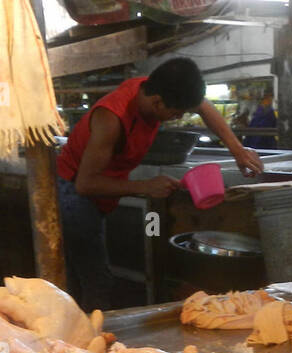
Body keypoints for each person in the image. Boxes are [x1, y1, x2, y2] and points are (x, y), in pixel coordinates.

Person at [56, 57, 265, 312]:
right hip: (72, 189)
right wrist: (144, 186)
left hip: (100, 186)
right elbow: (85, 184)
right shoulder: (111, 119)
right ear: (157, 102)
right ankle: (81, 341)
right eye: (176, 113)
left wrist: (237, 150)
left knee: (85, 272)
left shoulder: (158, 88)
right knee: (93, 279)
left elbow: (204, 107)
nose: (177, 118)